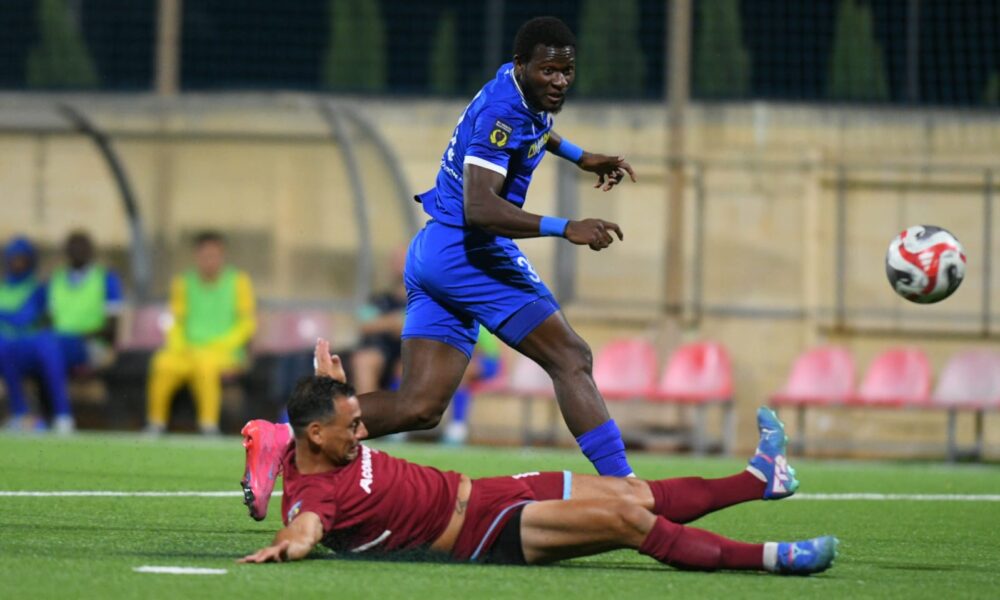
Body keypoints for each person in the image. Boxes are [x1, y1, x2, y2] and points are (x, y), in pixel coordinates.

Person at [243, 17, 641, 512]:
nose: (559, 81)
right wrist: (566, 227)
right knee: (571, 357)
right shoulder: (503, 112)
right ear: (523, 67)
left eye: (567, 71)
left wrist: (581, 156)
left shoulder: (516, 87)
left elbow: (536, 130)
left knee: (420, 406)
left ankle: (282, 434)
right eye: (549, 71)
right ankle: (630, 491)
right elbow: (481, 207)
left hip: (435, 250)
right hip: (469, 252)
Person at [237, 341, 837, 575]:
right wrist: (292, 541)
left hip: (493, 490)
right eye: (352, 426)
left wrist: (327, 382)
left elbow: (308, 422)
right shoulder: (315, 493)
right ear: (315, 435)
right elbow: (308, 523)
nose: (364, 429)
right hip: (482, 533)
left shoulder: (320, 441)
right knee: (631, 524)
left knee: (635, 494)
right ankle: (770, 561)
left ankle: (759, 478)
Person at [145, 231, 256, 435]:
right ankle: (156, 422)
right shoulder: (183, 283)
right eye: (204, 256)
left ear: (222, 256)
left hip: (224, 352)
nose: (209, 261)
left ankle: (208, 425)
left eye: (213, 256)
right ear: (197, 257)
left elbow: (246, 324)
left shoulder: (239, 282)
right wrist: (179, 345)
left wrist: (219, 344)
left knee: (206, 366)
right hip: (188, 350)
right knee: (162, 363)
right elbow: (176, 322)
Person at [0, 237, 75, 432]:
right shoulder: (2, 289)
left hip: (30, 346)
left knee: (48, 345)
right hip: (6, 348)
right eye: (14, 259)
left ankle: (63, 416)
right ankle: (20, 413)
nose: (17, 264)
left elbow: (45, 318)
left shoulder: (39, 288)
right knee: (3, 347)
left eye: (22, 259)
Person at [47, 230, 124, 374]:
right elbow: (49, 323)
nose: (77, 251)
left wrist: (78, 338)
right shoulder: (56, 280)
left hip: (93, 346)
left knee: (52, 355)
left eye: (82, 247)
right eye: (73, 247)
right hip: (58, 345)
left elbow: (111, 331)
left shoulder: (106, 279)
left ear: (91, 250)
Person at [349, 248, 407, 395]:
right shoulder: (379, 299)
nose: (399, 264)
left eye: (404, 259)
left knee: (407, 367)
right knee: (363, 360)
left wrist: (384, 323)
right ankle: (367, 415)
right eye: (397, 260)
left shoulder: (422, 300)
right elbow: (364, 324)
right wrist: (393, 322)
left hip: (409, 352)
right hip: (381, 351)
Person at [442, 325, 502, 445]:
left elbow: (479, 350)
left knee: (463, 372)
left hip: (488, 361)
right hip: (461, 360)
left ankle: (458, 427)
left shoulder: (475, 322)